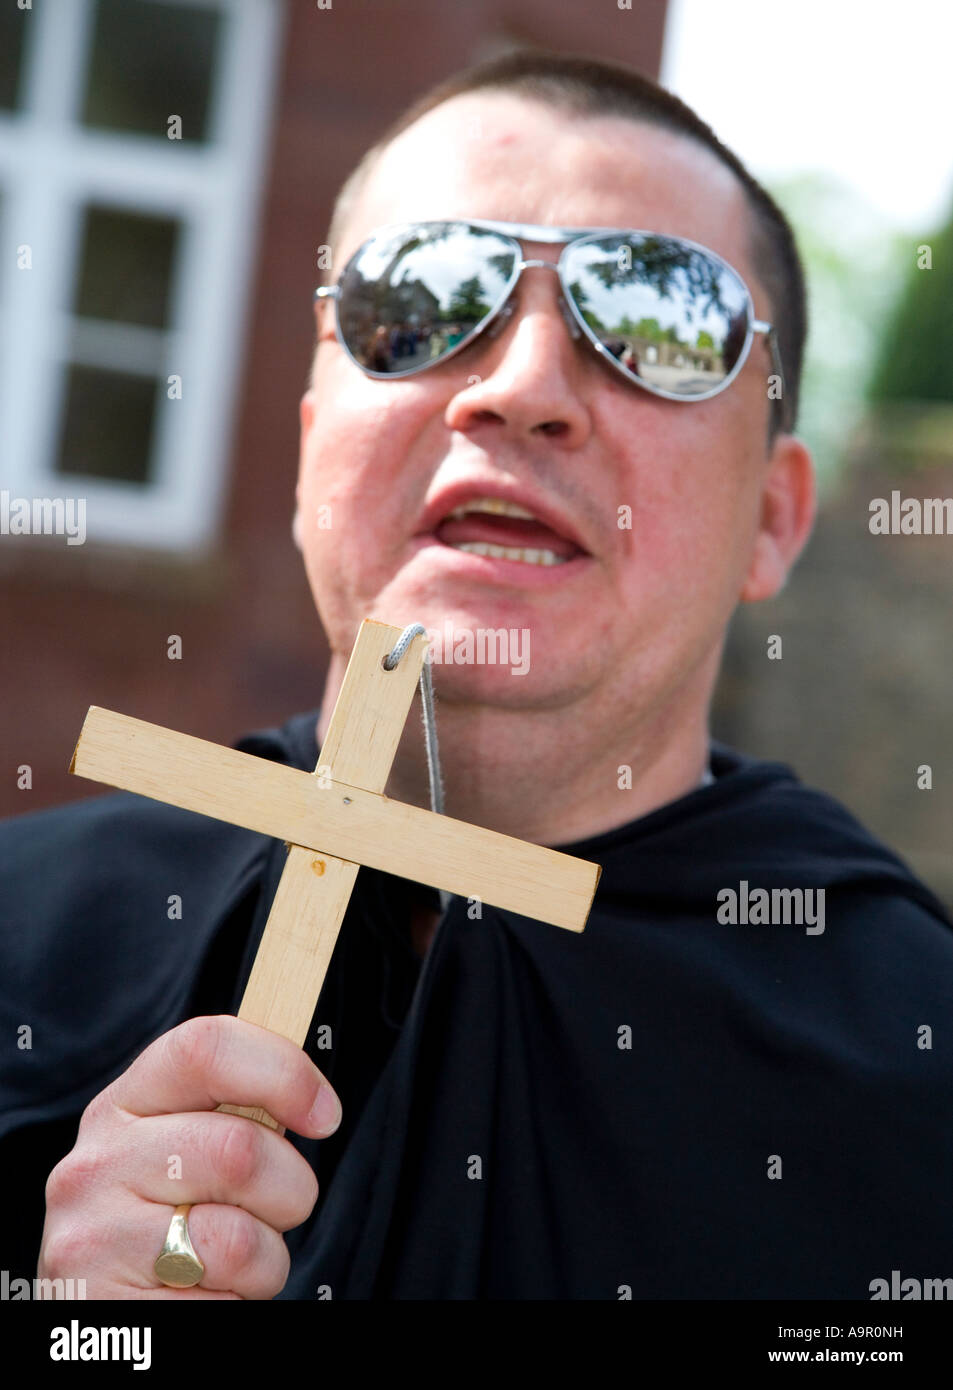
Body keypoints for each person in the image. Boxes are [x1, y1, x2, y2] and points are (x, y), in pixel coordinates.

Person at [3, 51, 952, 1302]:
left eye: (655, 318)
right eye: (422, 298)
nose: (518, 389)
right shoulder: (25, 937)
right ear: (307, 449)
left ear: (773, 518)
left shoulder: (910, 1071)